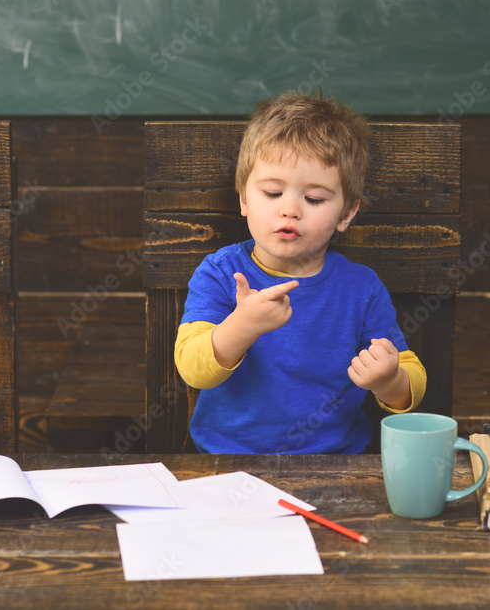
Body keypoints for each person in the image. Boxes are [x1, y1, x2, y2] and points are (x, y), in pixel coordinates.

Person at [174, 91, 427, 453]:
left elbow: (410, 376)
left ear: (346, 214)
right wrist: (243, 324)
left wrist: (389, 380)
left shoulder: (361, 289)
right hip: (228, 459)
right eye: (272, 193)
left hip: (336, 462)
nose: (290, 210)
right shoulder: (220, 272)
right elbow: (193, 370)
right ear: (244, 198)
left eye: (314, 199)